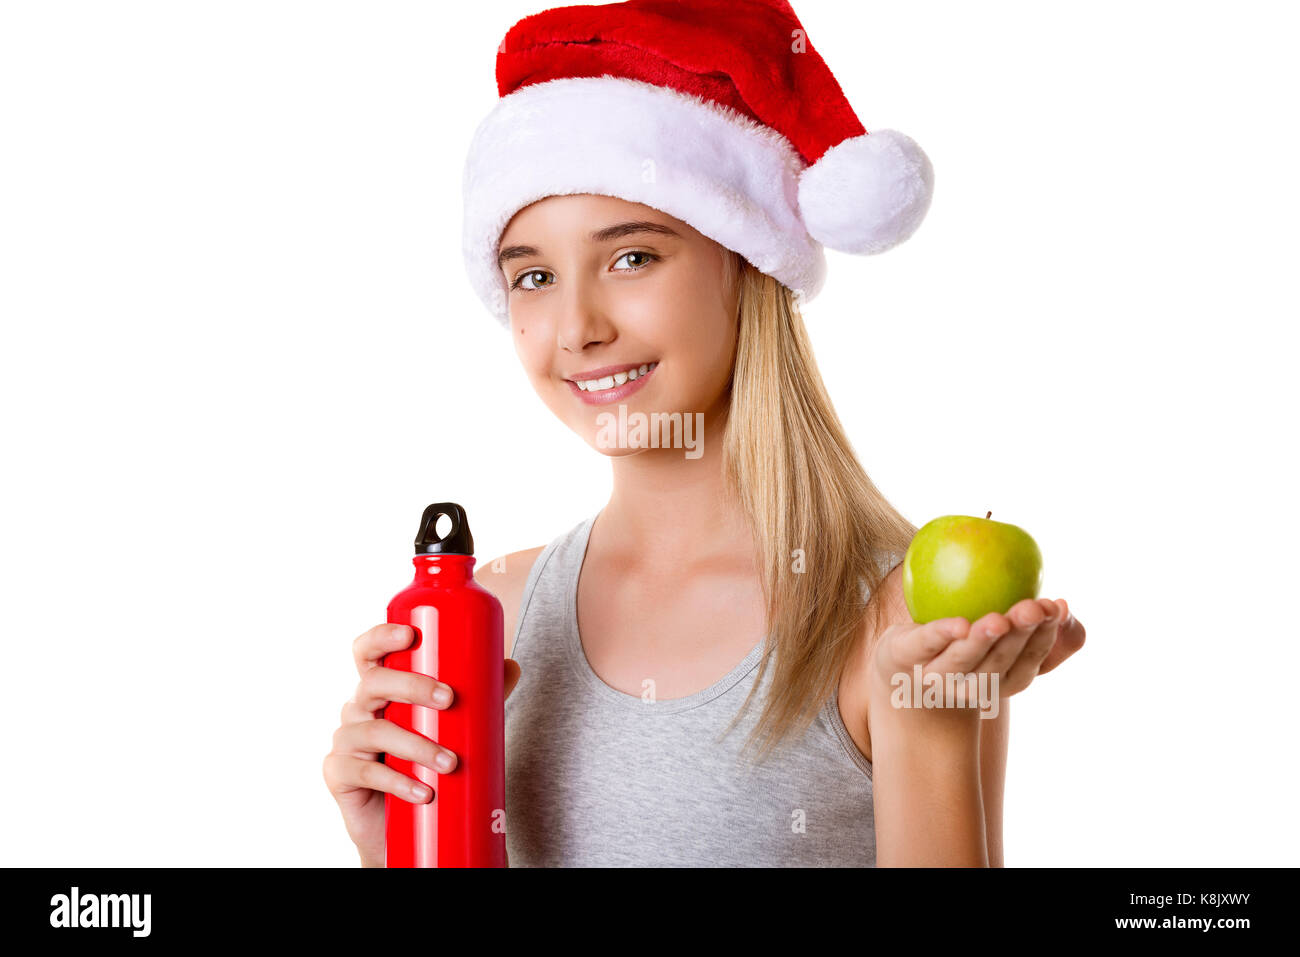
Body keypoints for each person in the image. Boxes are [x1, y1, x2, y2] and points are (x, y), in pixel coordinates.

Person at [323, 0, 1086, 867]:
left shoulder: (901, 615)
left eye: (632, 257)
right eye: (533, 275)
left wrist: (934, 730)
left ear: (747, 259)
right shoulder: (495, 610)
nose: (575, 327)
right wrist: (405, 850)